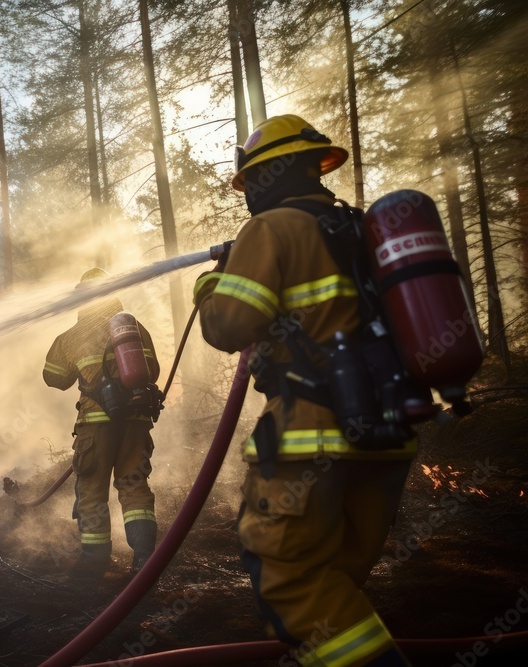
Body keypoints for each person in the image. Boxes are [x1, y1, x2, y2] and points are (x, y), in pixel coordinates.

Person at [194, 115, 414, 666]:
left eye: (252, 181)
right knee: (335, 577)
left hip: (310, 437)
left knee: (293, 580)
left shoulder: (271, 229)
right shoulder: (361, 230)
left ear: (269, 175)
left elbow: (229, 326)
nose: (250, 194)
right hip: (388, 433)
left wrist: (209, 283)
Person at [43, 268, 161, 575]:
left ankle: (95, 561)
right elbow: (153, 371)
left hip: (96, 427)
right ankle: (145, 559)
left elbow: (54, 378)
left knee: (93, 490)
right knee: (134, 487)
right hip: (136, 421)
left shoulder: (74, 335)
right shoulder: (134, 328)